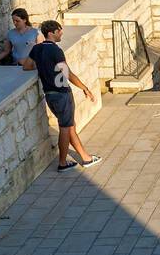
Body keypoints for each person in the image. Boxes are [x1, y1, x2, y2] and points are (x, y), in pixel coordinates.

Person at [21, 20, 101, 173]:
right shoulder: (56, 51)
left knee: (70, 126)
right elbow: (67, 73)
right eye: (59, 31)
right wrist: (85, 88)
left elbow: (27, 66)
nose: (61, 33)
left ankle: (86, 158)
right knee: (65, 128)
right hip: (62, 94)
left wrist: (44, 67)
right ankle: (63, 163)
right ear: (51, 33)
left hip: (49, 94)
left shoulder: (37, 49)